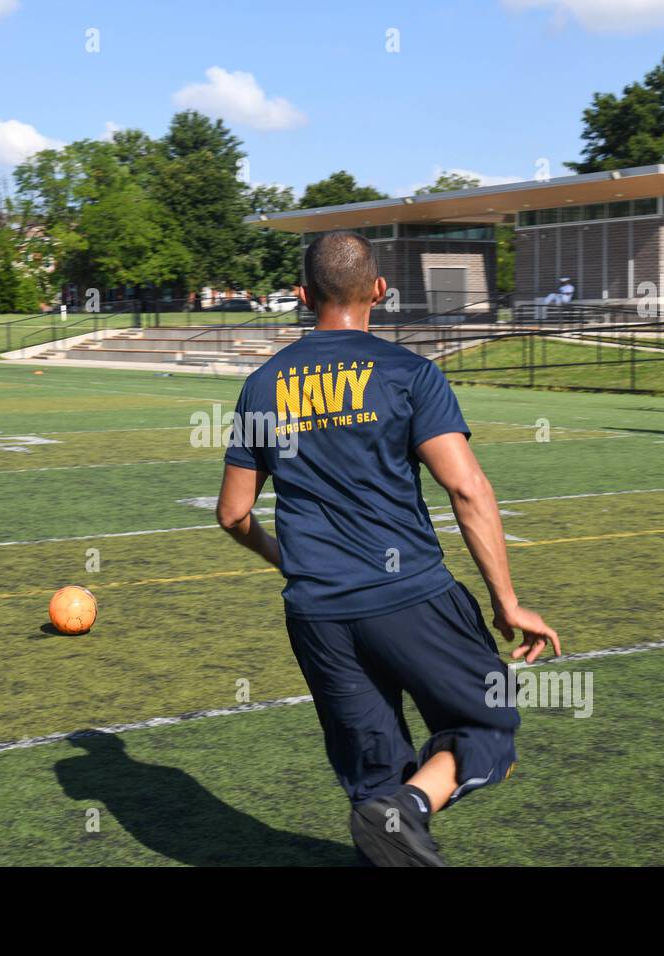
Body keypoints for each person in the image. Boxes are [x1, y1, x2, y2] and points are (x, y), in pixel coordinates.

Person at [217, 231, 560, 866]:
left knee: (375, 775)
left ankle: (394, 811)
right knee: (487, 727)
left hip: (316, 613)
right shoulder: (408, 374)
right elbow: (466, 487)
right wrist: (507, 602)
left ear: (301, 296)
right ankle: (411, 808)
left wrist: (284, 559)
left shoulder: (262, 385)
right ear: (379, 290)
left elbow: (234, 513)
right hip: (411, 599)